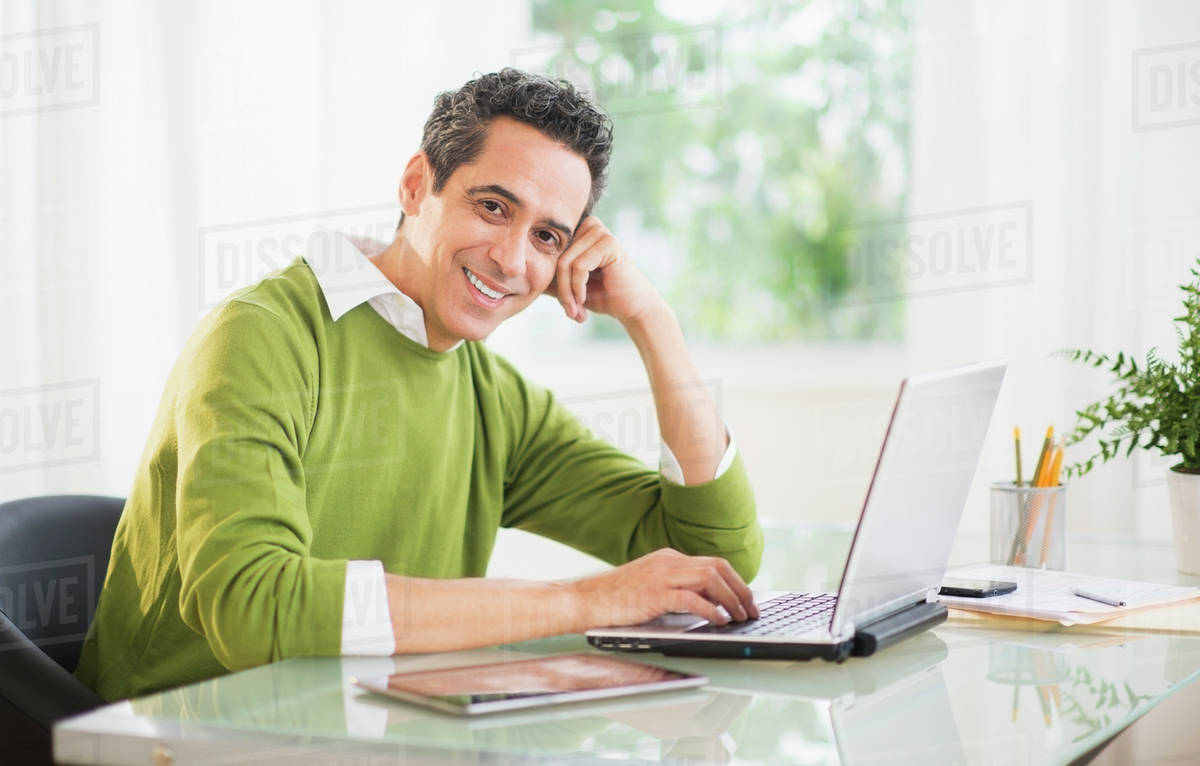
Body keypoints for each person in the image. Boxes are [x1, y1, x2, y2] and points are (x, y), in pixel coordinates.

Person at [75, 69, 763, 701]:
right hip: (191, 741)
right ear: (415, 185)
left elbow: (714, 559)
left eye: (548, 238)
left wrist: (652, 320)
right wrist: (582, 601)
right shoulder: (260, 337)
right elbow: (256, 604)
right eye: (494, 207)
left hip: (377, 737)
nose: (513, 260)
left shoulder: (495, 397)